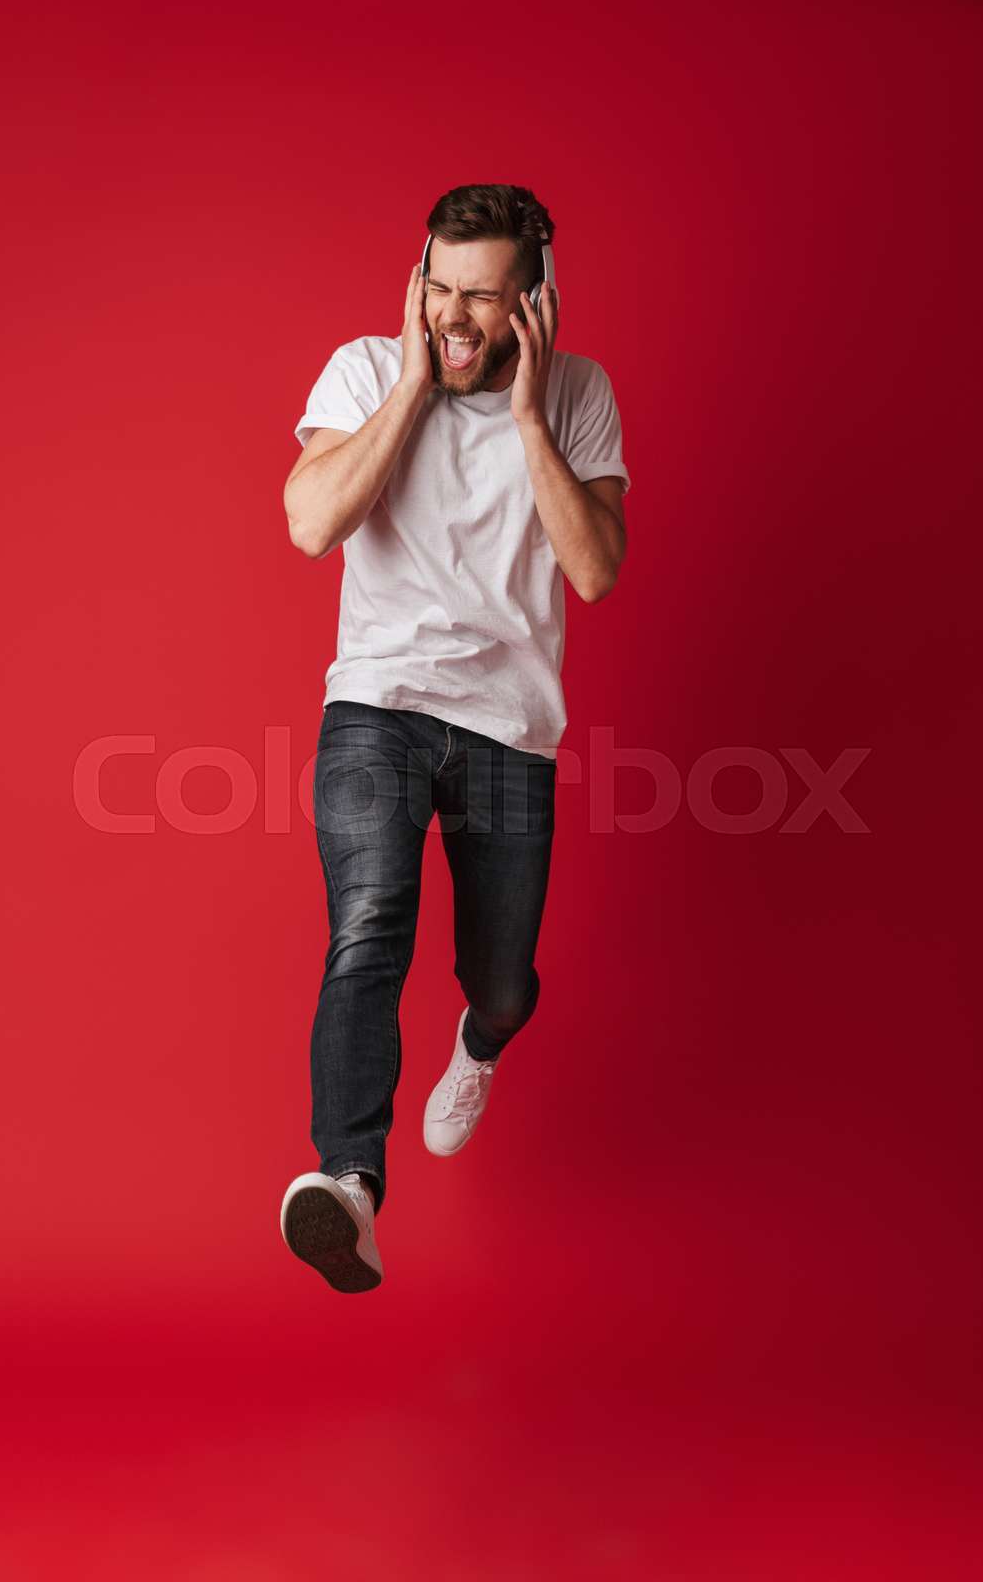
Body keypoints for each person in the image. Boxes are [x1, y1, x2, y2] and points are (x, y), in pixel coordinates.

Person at [278, 184, 630, 1292]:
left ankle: (481, 1043)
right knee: (368, 923)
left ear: (534, 302)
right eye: (439, 287)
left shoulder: (576, 393)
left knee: (503, 981)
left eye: (483, 297)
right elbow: (310, 523)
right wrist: (411, 390)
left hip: (508, 727)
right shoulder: (365, 369)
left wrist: (526, 419)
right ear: (416, 280)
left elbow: (594, 570)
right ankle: (348, 1182)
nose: (454, 317)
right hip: (377, 702)